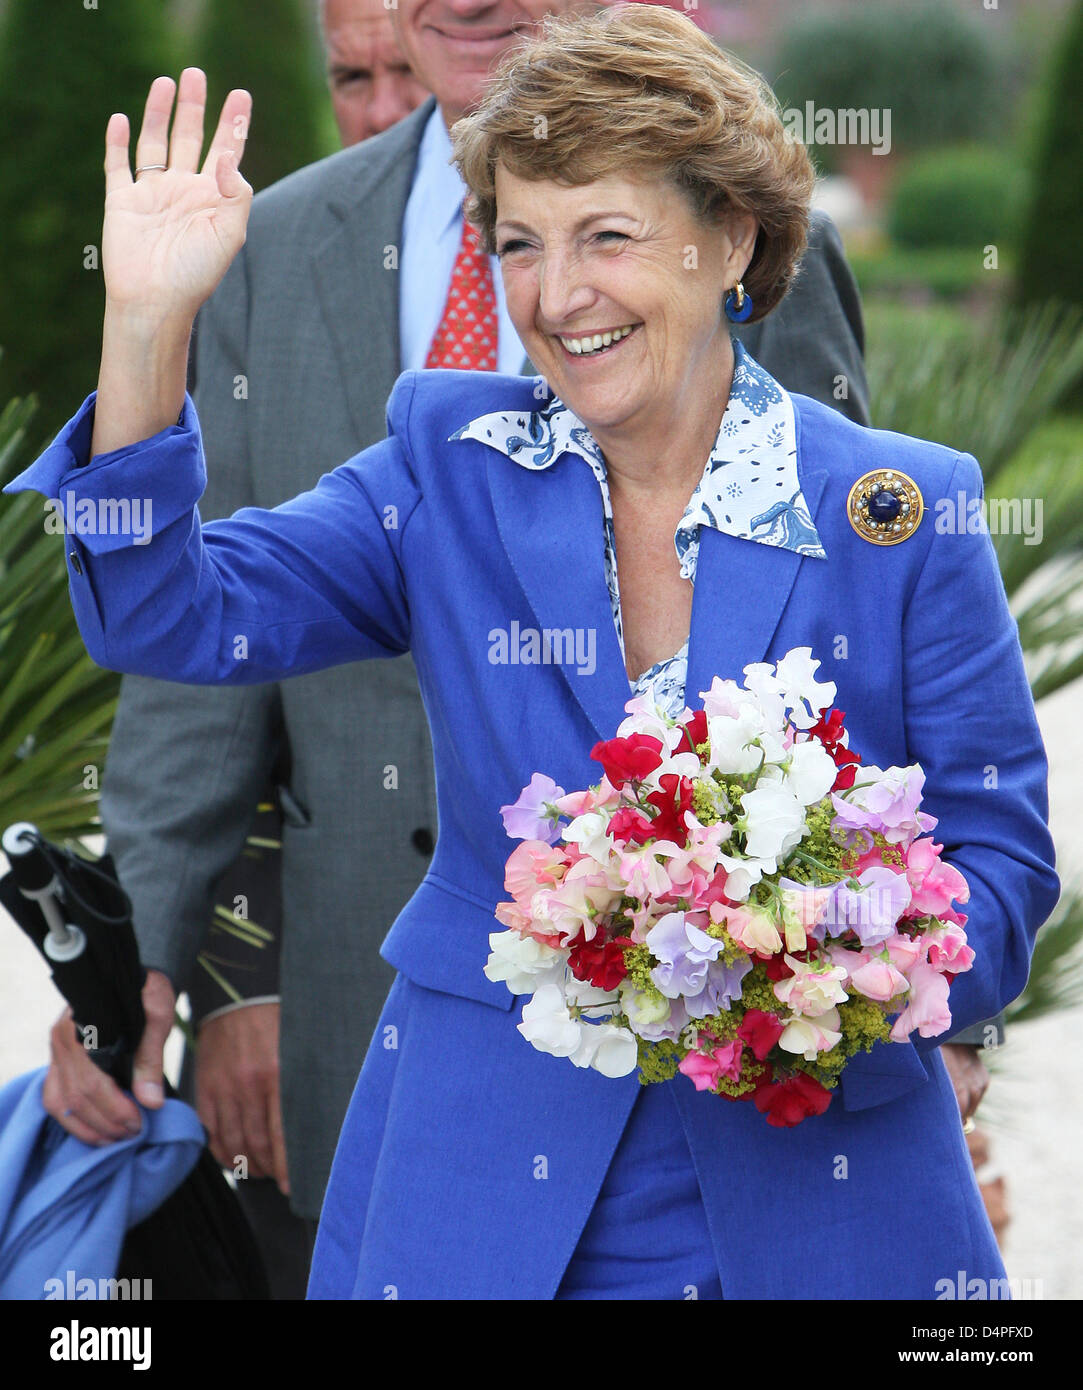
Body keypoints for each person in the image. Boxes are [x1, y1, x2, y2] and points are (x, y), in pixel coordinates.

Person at [8, 5, 1056, 1298]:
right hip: (482, 1174)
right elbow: (165, 613)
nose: (556, 297)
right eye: (519, 242)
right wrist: (147, 332)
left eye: (605, 237)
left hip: (818, 1181)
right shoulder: (447, 469)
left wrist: (846, 955)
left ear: (730, 237)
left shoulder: (900, 507)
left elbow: (999, 853)